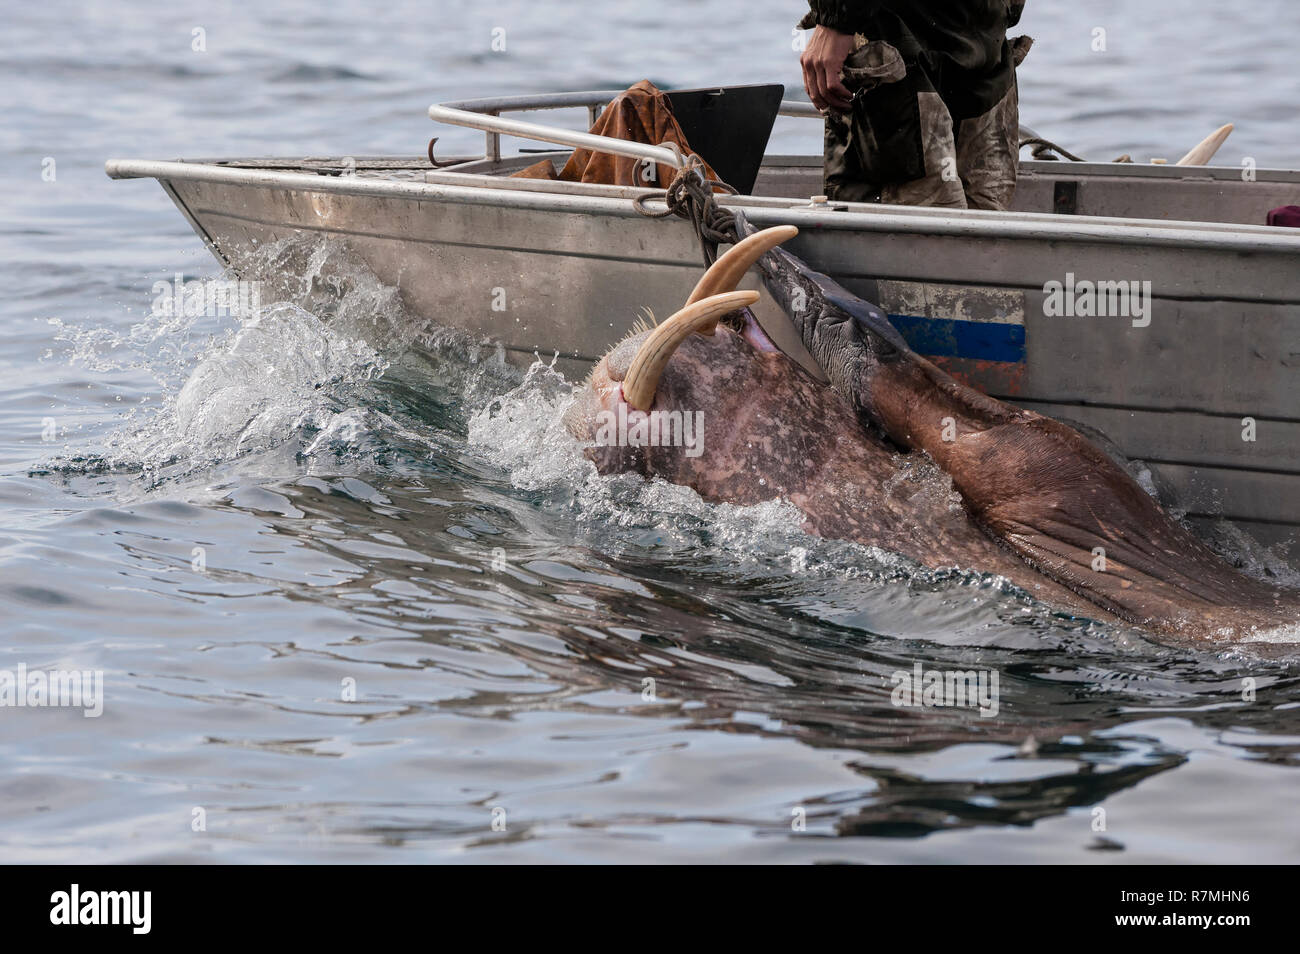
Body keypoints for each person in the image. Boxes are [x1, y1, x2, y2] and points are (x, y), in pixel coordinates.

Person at [798, 2, 1031, 210]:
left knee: (905, 232)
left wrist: (838, 18)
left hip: (901, 50)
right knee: (975, 234)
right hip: (982, 44)